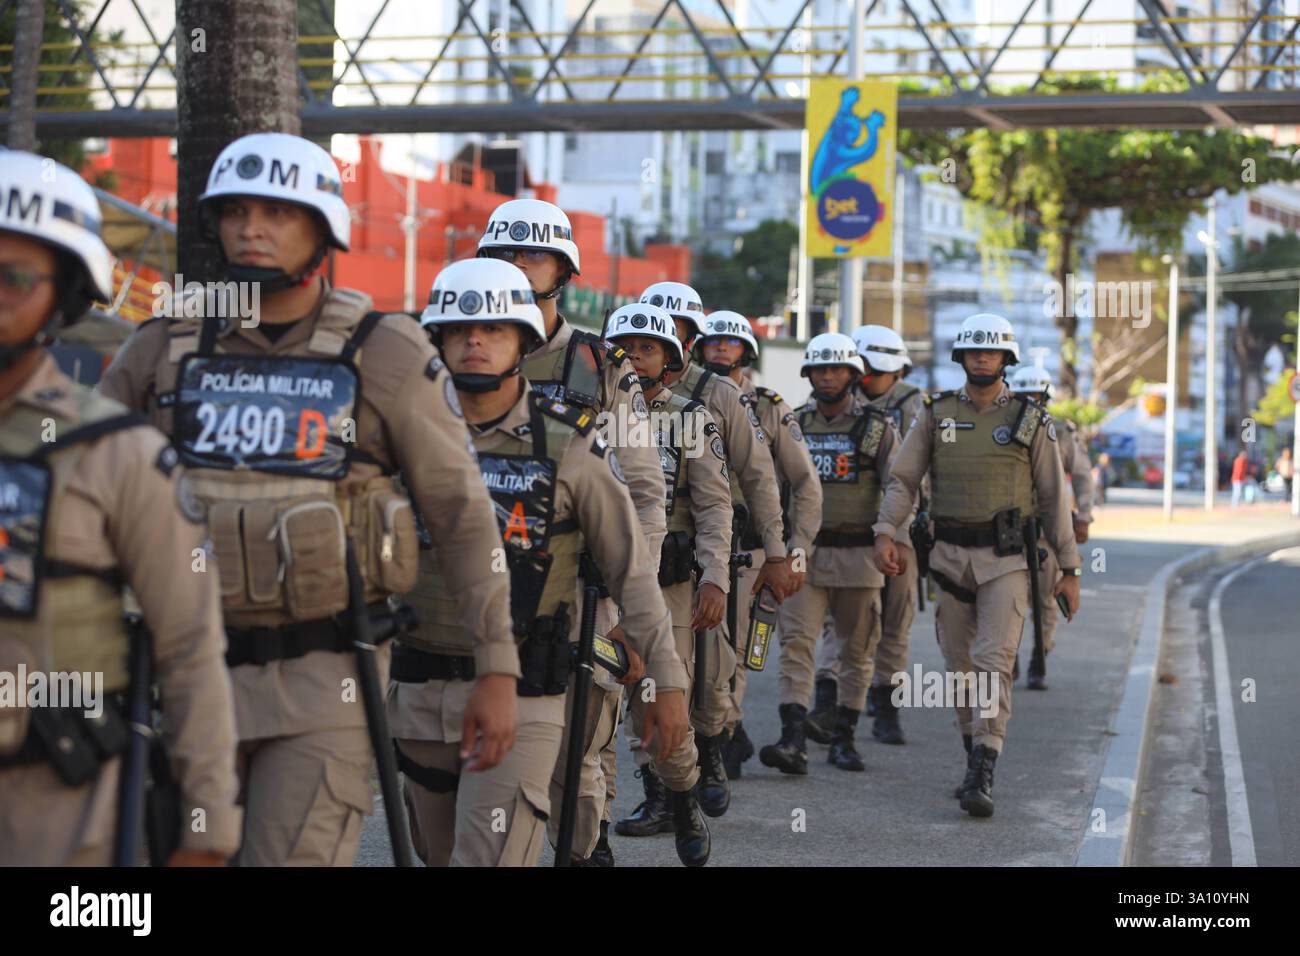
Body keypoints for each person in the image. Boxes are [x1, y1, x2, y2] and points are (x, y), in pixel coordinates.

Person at [101, 132, 514, 866]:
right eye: (234, 211)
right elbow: (79, 490)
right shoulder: (163, 345)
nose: (251, 228)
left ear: (323, 230)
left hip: (328, 682)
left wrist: (497, 665)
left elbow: (460, 515)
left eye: (277, 212)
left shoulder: (384, 352)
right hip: (180, 680)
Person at [391, 261, 689, 866]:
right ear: (438, 340)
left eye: (496, 329)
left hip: (528, 688)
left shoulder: (570, 446)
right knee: (435, 852)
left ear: (524, 342)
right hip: (421, 685)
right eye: (459, 330)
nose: (475, 341)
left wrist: (667, 679)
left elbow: (631, 569)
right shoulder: (402, 440)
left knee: (492, 856)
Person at [1, 150, 240, 866]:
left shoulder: (120, 453)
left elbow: (190, 650)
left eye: (14, 278)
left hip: (65, 820)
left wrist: (206, 832)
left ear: (66, 294)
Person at [477, 198, 666, 864]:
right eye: (505, 254)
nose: (519, 267)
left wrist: (626, 607)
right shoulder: (453, 345)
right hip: (475, 591)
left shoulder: (599, 364)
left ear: (563, 268)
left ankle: (585, 850)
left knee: (577, 759)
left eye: (533, 254)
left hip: (578, 597)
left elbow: (643, 490)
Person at [872, 313, 1082, 817]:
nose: (983, 359)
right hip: (947, 560)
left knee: (993, 662)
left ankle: (985, 761)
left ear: (1006, 359)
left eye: (991, 353)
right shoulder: (936, 413)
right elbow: (903, 479)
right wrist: (886, 531)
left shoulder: (1032, 422)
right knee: (961, 669)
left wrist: (1070, 570)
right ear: (961, 358)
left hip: (1007, 561)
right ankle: (973, 752)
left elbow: (1054, 499)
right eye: (974, 352)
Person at [645, 281, 795, 816]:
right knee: (647, 677)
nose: (657, 341)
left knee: (713, 672)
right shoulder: (614, 389)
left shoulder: (721, 394)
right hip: (638, 558)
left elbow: (759, 479)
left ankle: (710, 751)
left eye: (674, 330)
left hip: (711, 553)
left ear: (689, 338)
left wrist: (776, 553)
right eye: (645, 331)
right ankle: (659, 791)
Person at [602, 302, 731, 865]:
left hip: (669, 586)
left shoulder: (691, 417)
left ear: (670, 358)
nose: (634, 356)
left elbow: (714, 504)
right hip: (596, 583)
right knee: (597, 709)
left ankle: (681, 797)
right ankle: (592, 831)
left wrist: (717, 579)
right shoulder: (584, 410)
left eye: (647, 347)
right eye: (625, 347)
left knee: (659, 700)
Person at [759, 333, 899, 776]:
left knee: (857, 650)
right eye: (820, 368)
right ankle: (793, 738)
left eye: (837, 368)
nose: (828, 376)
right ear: (809, 374)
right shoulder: (794, 422)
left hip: (859, 555)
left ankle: (844, 738)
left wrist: (890, 535)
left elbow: (901, 486)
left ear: (854, 374)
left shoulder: (878, 428)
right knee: (796, 644)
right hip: (806, 554)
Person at [691, 311, 822, 777]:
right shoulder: (682, 395)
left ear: (746, 351)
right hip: (691, 545)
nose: (721, 348)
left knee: (736, 649)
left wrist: (793, 551)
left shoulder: (768, 406)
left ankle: (723, 737)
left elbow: (804, 483)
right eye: (713, 340)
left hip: (748, 551)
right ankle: (725, 732)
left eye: (732, 341)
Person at [808, 324, 925, 746]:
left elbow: (918, 473)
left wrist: (906, 529)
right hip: (845, 534)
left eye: (877, 369)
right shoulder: (831, 399)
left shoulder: (915, 406)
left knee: (894, 620)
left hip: (901, 526)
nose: (868, 377)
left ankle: (886, 707)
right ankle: (829, 705)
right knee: (838, 624)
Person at [1009, 364, 1094, 690]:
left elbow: (1084, 476)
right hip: (1008, 530)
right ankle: (1009, 655)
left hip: (1046, 530)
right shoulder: (1000, 428)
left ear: (1045, 397)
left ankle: (1039, 658)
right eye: (1023, 395)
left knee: (1046, 599)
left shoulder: (1060, 431)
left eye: (1035, 395)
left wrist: (1084, 516)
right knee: (1007, 598)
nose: (1030, 401)